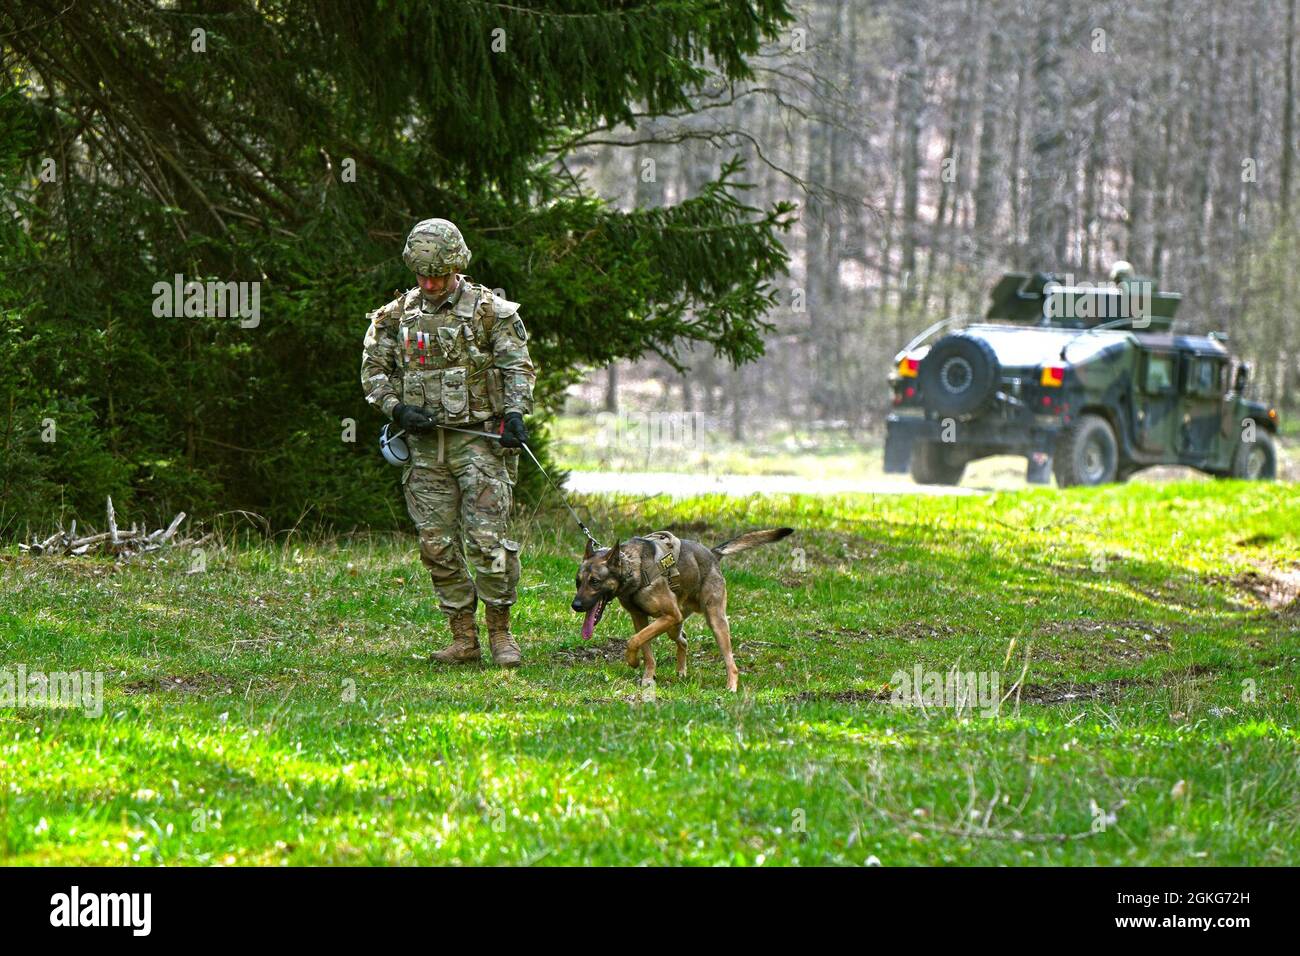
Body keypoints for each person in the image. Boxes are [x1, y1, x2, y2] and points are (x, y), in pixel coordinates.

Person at [360, 218, 535, 666]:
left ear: (458, 266)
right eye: (424, 275)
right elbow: (374, 372)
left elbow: (518, 368)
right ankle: (463, 638)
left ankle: (500, 634)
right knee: (435, 544)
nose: (433, 283)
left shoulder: (490, 311)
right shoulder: (395, 316)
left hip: (479, 443)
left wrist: (514, 413)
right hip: (425, 449)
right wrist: (397, 409)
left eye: (441, 274)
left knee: (487, 542)